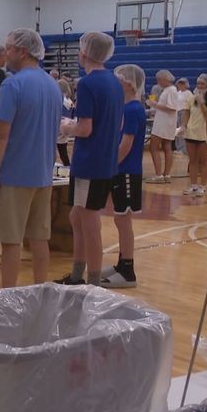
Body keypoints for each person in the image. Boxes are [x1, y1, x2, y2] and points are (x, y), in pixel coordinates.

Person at [0, 29, 61, 288]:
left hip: (15, 173)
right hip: (43, 172)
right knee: (40, 238)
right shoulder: (53, 85)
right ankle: (41, 291)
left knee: (11, 240)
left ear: (22, 51)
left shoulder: (12, 84)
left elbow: (1, 133)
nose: (5, 54)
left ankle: (9, 296)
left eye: (8, 49)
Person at [55, 31, 124, 287]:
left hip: (89, 160)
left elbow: (85, 129)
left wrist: (65, 127)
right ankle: (78, 272)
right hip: (105, 157)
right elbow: (117, 122)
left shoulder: (87, 83)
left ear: (84, 53)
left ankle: (90, 280)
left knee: (88, 220)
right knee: (77, 215)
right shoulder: (115, 81)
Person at [100, 64, 147, 288]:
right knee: (121, 219)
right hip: (122, 169)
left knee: (124, 219)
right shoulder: (126, 107)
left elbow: (126, 145)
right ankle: (121, 264)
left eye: (119, 79)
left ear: (128, 84)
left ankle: (128, 270)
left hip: (127, 171)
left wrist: (109, 166)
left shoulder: (132, 109)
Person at [183, 74, 207, 197]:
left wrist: (202, 102)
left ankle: (203, 186)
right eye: (198, 84)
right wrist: (183, 126)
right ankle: (194, 185)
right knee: (192, 160)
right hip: (191, 132)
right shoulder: (192, 97)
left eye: (202, 84)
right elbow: (187, 112)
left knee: (204, 161)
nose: (200, 86)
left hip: (204, 133)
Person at [147, 70, 180, 183]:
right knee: (167, 147)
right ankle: (166, 174)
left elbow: (171, 107)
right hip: (166, 121)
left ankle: (159, 174)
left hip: (163, 122)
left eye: (159, 79)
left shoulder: (171, 90)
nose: (158, 82)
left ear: (165, 79)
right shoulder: (168, 90)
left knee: (154, 147)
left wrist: (155, 104)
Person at [57, 79, 74, 166]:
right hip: (67, 124)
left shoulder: (60, 99)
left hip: (60, 125)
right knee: (63, 150)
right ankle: (67, 166)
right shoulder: (69, 101)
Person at [175, 77, 194, 154]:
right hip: (177, 112)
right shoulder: (177, 93)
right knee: (177, 130)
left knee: (183, 130)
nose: (181, 85)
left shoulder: (188, 93)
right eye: (180, 84)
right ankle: (178, 147)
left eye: (183, 84)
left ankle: (183, 149)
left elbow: (190, 104)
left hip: (184, 112)